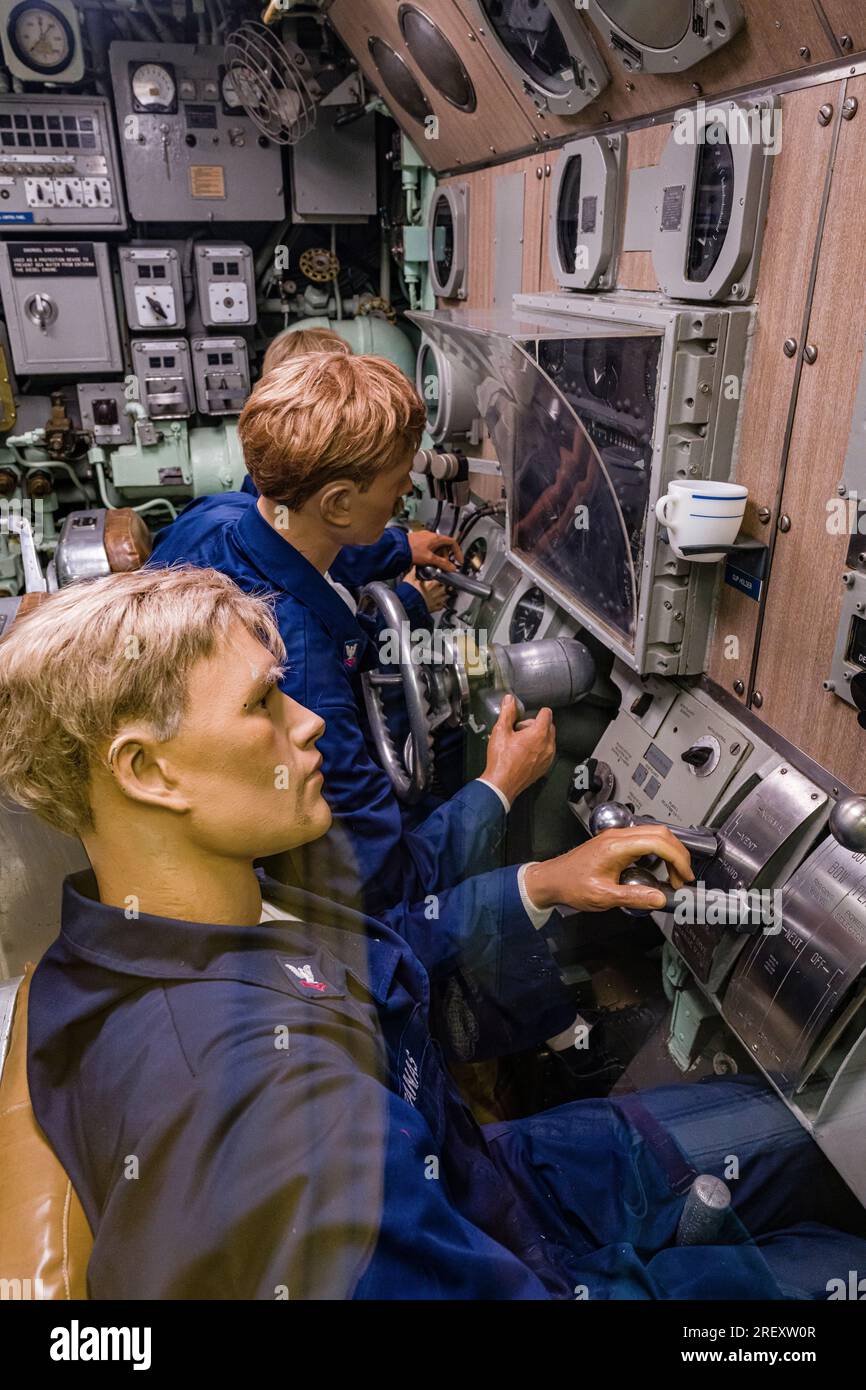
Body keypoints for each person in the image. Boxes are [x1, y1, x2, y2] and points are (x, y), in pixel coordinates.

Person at [5, 567, 865, 1300]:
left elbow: (367, 961)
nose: (308, 721)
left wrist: (541, 883)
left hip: (483, 1179)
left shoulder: (158, 927)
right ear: (147, 770)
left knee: (823, 1146)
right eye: (262, 702)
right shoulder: (274, 1127)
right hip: (509, 1256)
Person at [147, 353, 511, 917]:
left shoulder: (215, 513)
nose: (404, 492)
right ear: (340, 504)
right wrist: (497, 787)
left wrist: (398, 546)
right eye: (397, 485)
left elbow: (292, 539)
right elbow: (380, 879)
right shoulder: (304, 678)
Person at [247, 323, 452, 605]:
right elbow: (335, 554)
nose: (406, 487)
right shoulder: (294, 612)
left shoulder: (247, 500)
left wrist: (402, 546)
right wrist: (409, 596)